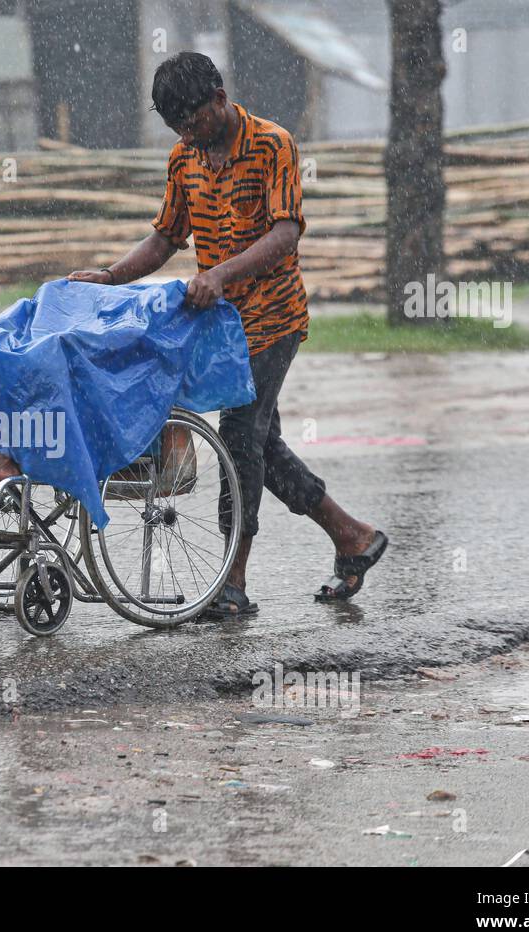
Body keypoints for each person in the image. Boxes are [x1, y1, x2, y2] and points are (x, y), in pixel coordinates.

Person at [67, 52, 388, 616]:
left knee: (239, 438)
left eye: (193, 123)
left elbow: (286, 232)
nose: (188, 136)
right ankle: (352, 537)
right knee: (262, 444)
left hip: (272, 319)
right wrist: (112, 276)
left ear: (219, 97)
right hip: (222, 329)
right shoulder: (184, 159)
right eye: (178, 130)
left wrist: (220, 274)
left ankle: (232, 581)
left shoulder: (273, 144)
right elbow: (167, 238)